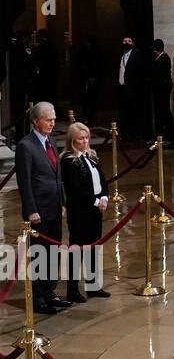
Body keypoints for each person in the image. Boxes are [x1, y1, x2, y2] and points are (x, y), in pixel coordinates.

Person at [15, 102, 70, 314]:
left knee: (53, 251)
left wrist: (62, 202)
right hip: (37, 210)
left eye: (54, 119)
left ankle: (50, 291)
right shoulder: (25, 146)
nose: (52, 123)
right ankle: (38, 297)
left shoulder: (51, 142)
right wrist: (31, 209)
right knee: (39, 253)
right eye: (49, 119)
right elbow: (24, 181)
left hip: (54, 207)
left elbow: (58, 177)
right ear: (36, 121)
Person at [60, 121, 111, 302]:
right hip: (80, 211)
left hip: (95, 210)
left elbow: (102, 180)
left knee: (93, 247)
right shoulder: (68, 160)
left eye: (87, 137)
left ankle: (93, 285)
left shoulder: (90, 156)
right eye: (81, 139)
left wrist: (104, 197)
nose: (85, 141)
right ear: (72, 140)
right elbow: (74, 188)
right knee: (77, 249)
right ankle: (72, 290)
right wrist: (96, 201)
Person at [117, 36, 152, 142]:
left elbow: (142, 74)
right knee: (124, 113)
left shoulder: (138, 56)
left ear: (133, 43)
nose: (126, 43)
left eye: (129, 41)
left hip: (133, 89)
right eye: (124, 41)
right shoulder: (120, 55)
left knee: (135, 113)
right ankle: (126, 135)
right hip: (122, 88)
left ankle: (136, 135)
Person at [150, 39, 174, 143]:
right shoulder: (158, 58)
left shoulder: (164, 58)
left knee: (164, 111)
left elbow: (162, 76)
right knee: (159, 112)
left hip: (163, 90)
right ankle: (159, 135)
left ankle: (170, 136)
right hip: (158, 89)